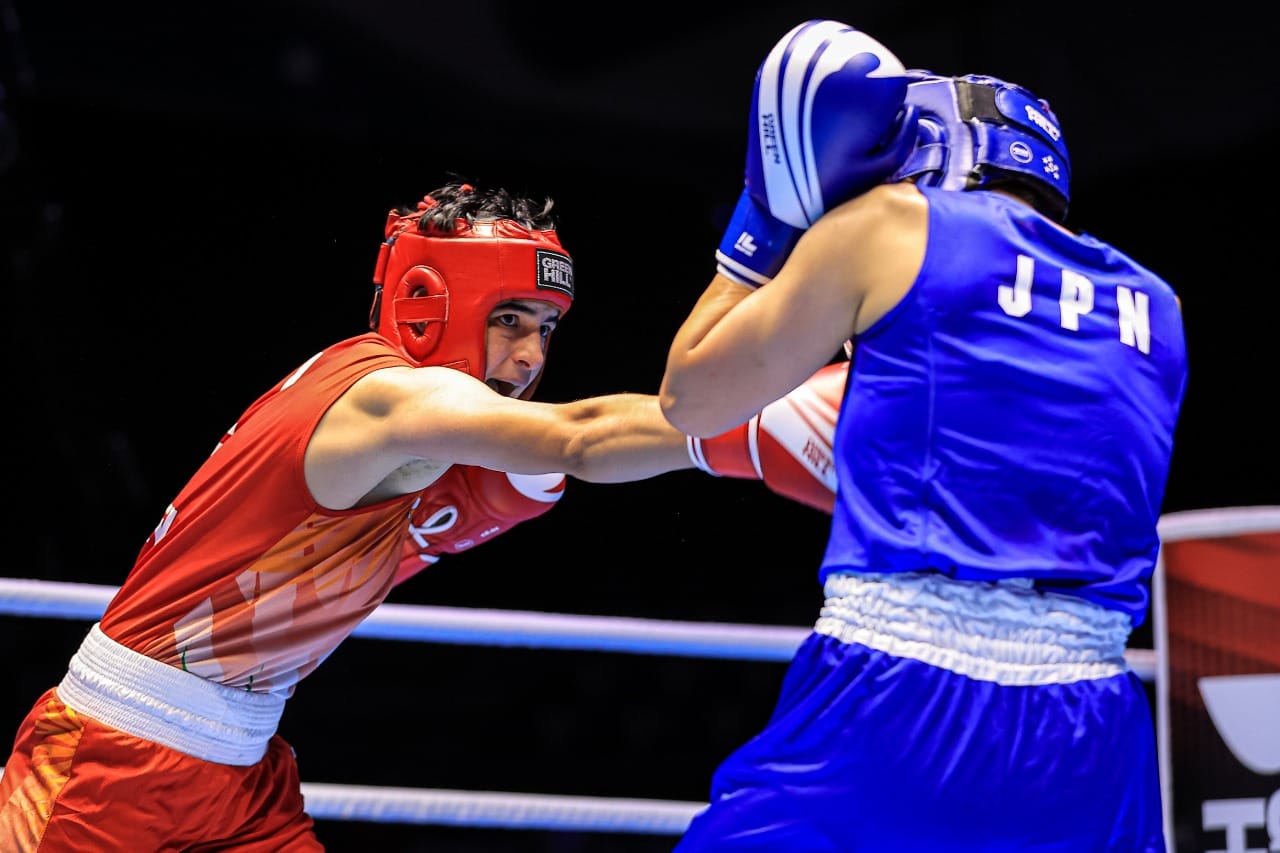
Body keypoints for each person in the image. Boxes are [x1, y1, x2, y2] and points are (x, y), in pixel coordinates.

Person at [0, 179, 844, 850]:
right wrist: (755, 421)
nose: (529, 355)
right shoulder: (387, 396)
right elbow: (581, 438)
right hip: (108, 762)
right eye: (510, 319)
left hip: (239, 776)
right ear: (427, 302)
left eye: (546, 327)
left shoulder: (410, 452)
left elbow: (306, 577)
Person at [660, 19, 1186, 853]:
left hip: (898, 693)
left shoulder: (888, 226)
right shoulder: (1158, 306)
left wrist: (769, 213)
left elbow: (690, 398)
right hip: (1091, 724)